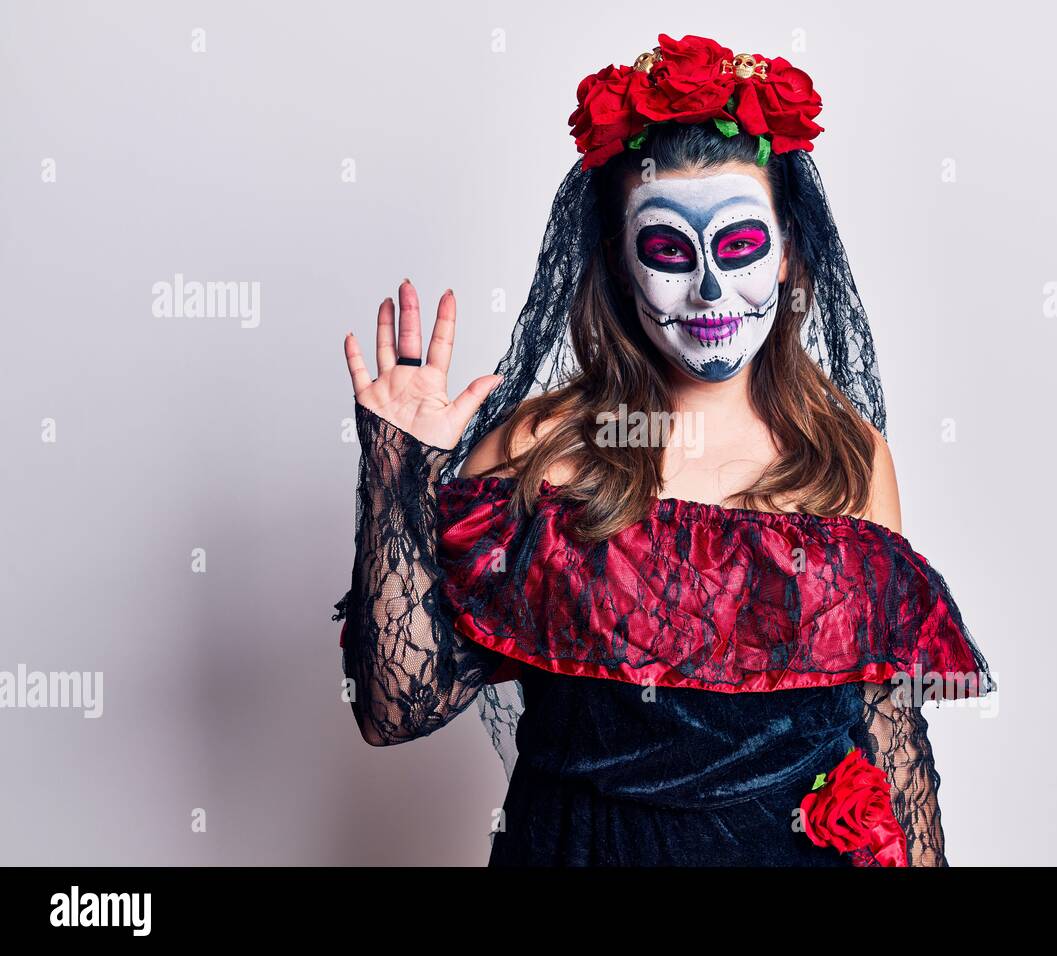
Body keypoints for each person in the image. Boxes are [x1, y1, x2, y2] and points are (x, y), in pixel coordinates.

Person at [333, 34, 996, 867]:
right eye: (670, 252)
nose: (712, 291)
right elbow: (396, 710)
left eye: (742, 246)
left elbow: (891, 732)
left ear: (789, 252)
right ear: (618, 260)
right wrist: (397, 466)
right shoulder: (542, 450)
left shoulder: (847, 458)